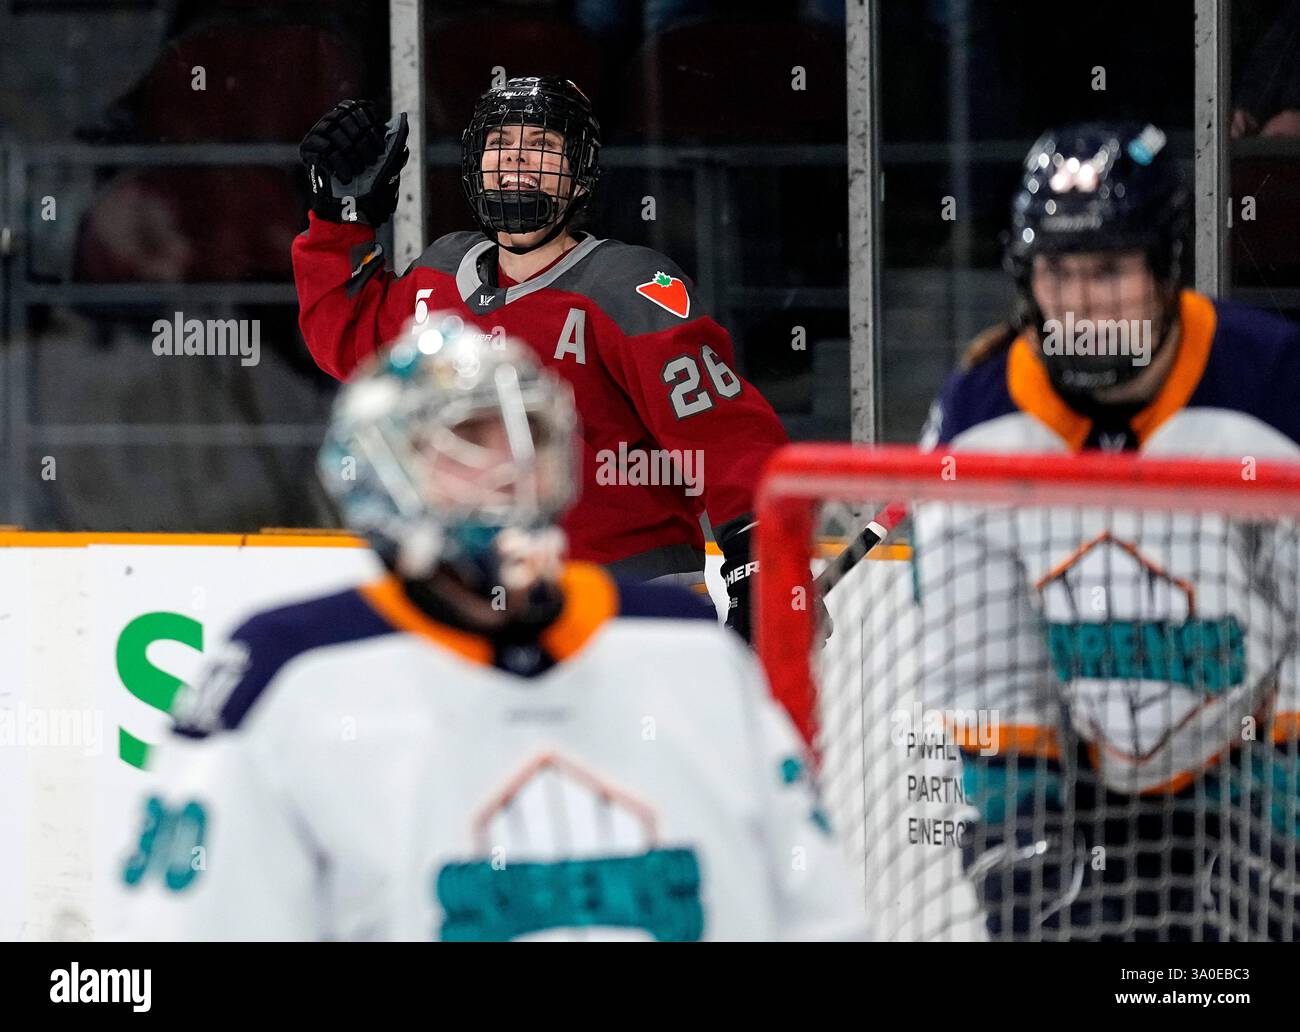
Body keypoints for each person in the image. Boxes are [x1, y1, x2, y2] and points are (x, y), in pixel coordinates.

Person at [110, 318, 867, 942]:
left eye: (529, 433)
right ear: (383, 467)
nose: (511, 465)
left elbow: (814, 913)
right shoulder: (284, 672)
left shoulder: (687, 648)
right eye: (470, 437)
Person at [918, 121, 1300, 940]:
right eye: (1060, 271)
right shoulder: (979, 412)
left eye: (1111, 270)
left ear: (1165, 271)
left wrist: (1280, 821)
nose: (1084, 302)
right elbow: (986, 664)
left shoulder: (1272, 382)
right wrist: (1016, 844)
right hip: (1078, 778)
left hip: (1254, 765)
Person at [292, 76, 789, 639]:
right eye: (500, 142)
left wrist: (765, 568)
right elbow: (350, 347)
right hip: (481, 600)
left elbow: (727, 443)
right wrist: (339, 221)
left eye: (543, 146)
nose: (516, 159)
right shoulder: (439, 272)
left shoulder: (631, 288)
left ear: (580, 175)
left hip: (626, 603)